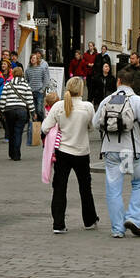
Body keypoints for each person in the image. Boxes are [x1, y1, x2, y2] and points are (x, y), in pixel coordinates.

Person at [92, 65, 140, 238]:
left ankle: (117, 229)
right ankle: (133, 217)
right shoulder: (137, 101)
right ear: (132, 83)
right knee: (139, 182)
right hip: (131, 150)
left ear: (118, 81)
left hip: (110, 150)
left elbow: (96, 123)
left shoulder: (107, 100)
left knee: (114, 189)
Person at [42, 77, 99, 233]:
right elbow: (92, 127)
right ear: (81, 90)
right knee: (85, 187)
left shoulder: (59, 106)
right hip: (81, 151)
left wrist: (57, 130)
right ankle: (89, 220)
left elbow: (45, 127)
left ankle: (58, 224)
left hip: (63, 152)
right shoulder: (87, 107)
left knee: (59, 187)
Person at [0, 64, 33, 161]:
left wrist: (2, 111)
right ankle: (17, 154)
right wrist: (33, 112)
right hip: (22, 111)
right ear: (22, 74)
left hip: (9, 111)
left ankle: (11, 153)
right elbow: (29, 100)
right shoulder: (26, 85)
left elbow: (3, 99)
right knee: (18, 132)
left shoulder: (7, 85)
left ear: (13, 74)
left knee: (10, 132)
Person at [25, 52, 51, 122]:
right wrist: (28, 89)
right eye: (31, 58)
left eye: (34, 58)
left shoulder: (41, 68)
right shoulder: (28, 69)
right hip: (31, 92)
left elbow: (46, 79)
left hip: (39, 92)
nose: (32, 59)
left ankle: (42, 123)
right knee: (33, 111)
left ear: (37, 59)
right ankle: (35, 127)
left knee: (39, 110)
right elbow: (26, 80)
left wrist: (42, 89)